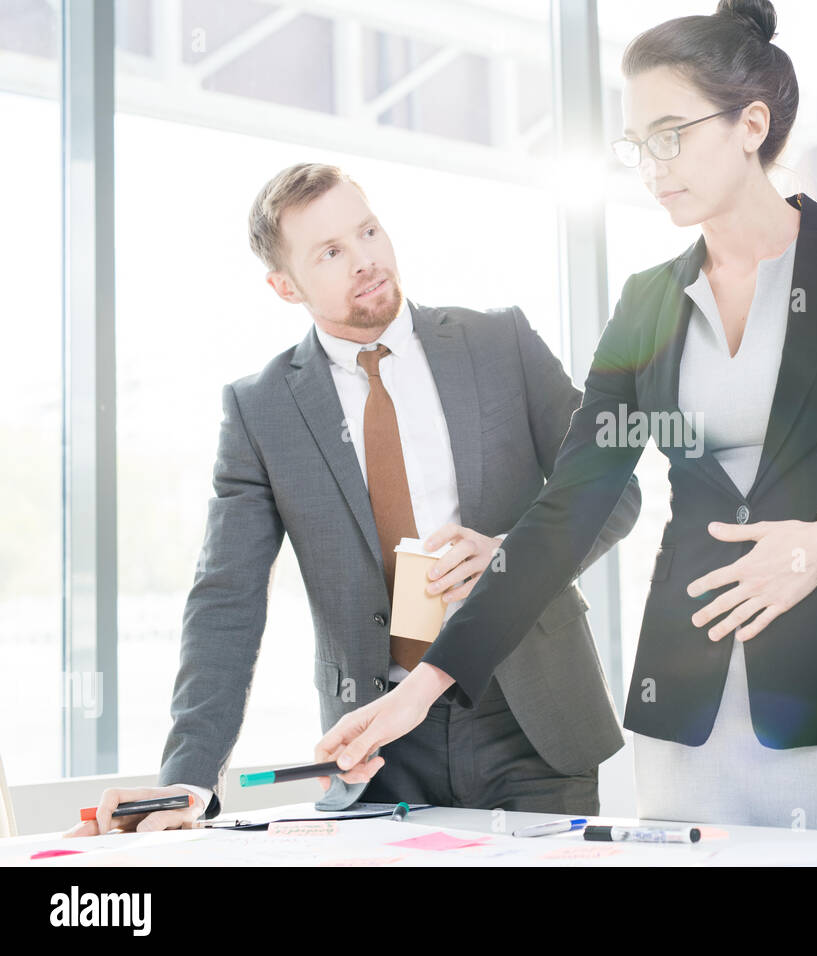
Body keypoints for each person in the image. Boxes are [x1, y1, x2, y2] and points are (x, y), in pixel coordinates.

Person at [316, 0, 817, 835]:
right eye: (636, 144)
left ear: (751, 123)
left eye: (670, 133)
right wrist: (426, 687)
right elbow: (565, 513)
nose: (652, 166)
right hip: (684, 715)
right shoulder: (647, 303)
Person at [67, 162, 640, 836]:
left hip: (533, 718)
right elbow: (227, 597)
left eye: (368, 231)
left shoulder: (500, 342)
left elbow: (610, 489)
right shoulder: (262, 410)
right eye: (331, 252)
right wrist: (187, 779)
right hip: (377, 749)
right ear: (285, 285)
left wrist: (516, 555)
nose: (366, 260)